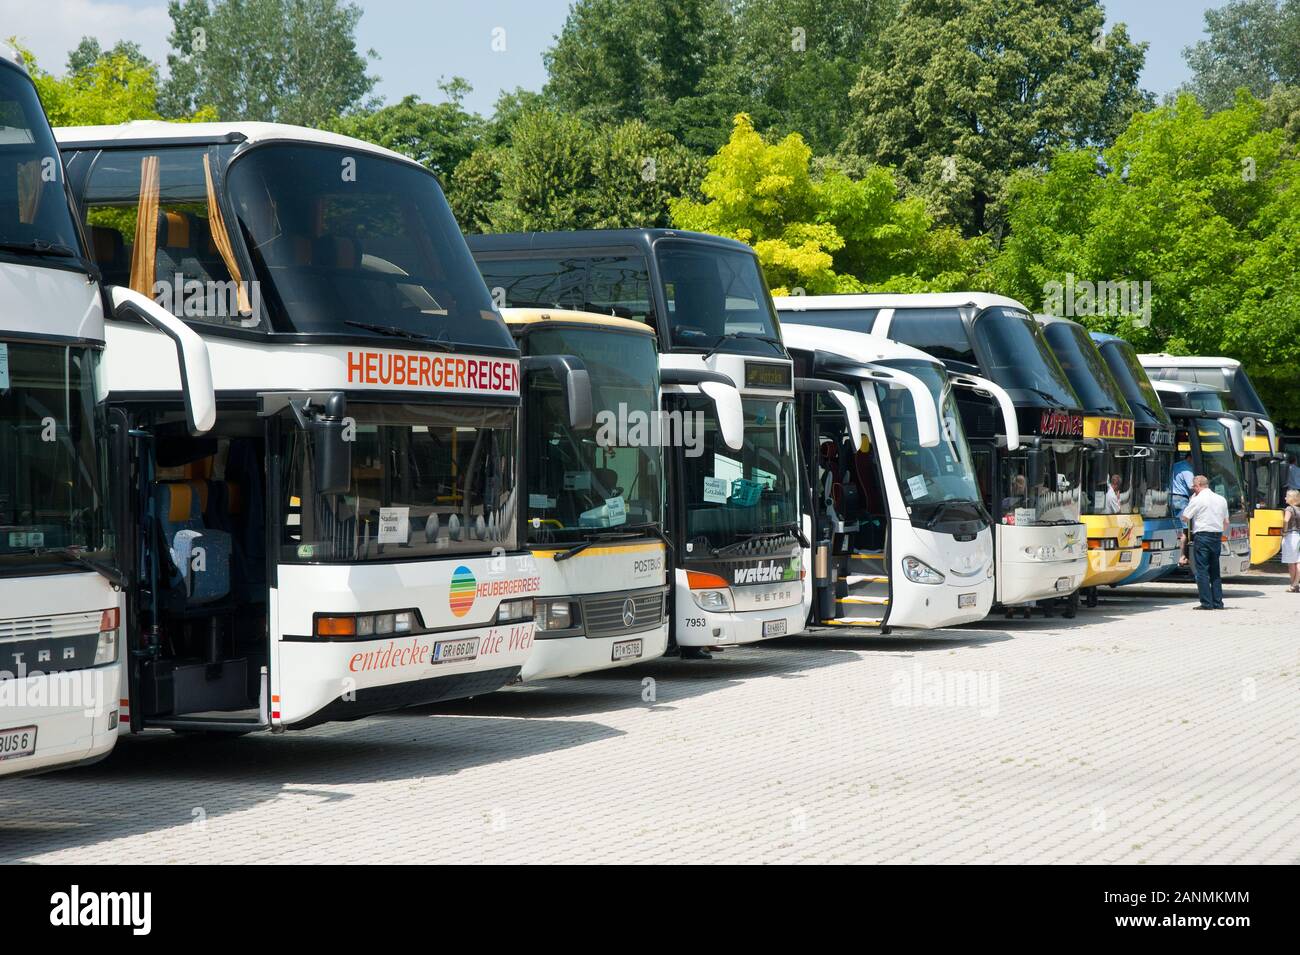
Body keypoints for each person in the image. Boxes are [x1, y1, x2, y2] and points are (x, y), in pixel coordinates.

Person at [1178, 474, 1229, 609]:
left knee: (1202, 571)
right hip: (1216, 536)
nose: (1193, 489)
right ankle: (1218, 602)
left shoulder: (1197, 499)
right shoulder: (1221, 499)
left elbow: (1184, 517)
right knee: (1215, 571)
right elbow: (1226, 522)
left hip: (1202, 536)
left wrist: (1190, 501)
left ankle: (1206, 603)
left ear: (1198, 485)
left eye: (1194, 487)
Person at [1282, 488, 1300, 593]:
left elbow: (1286, 520)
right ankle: (1295, 584)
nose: (1285, 498)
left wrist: (1284, 531)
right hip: (1299, 535)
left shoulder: (1289, 509)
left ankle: (1293, 584)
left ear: (1291, 498)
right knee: (1298, 560)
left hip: (1291, 537)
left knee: (1291, 562)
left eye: (1286, 496)